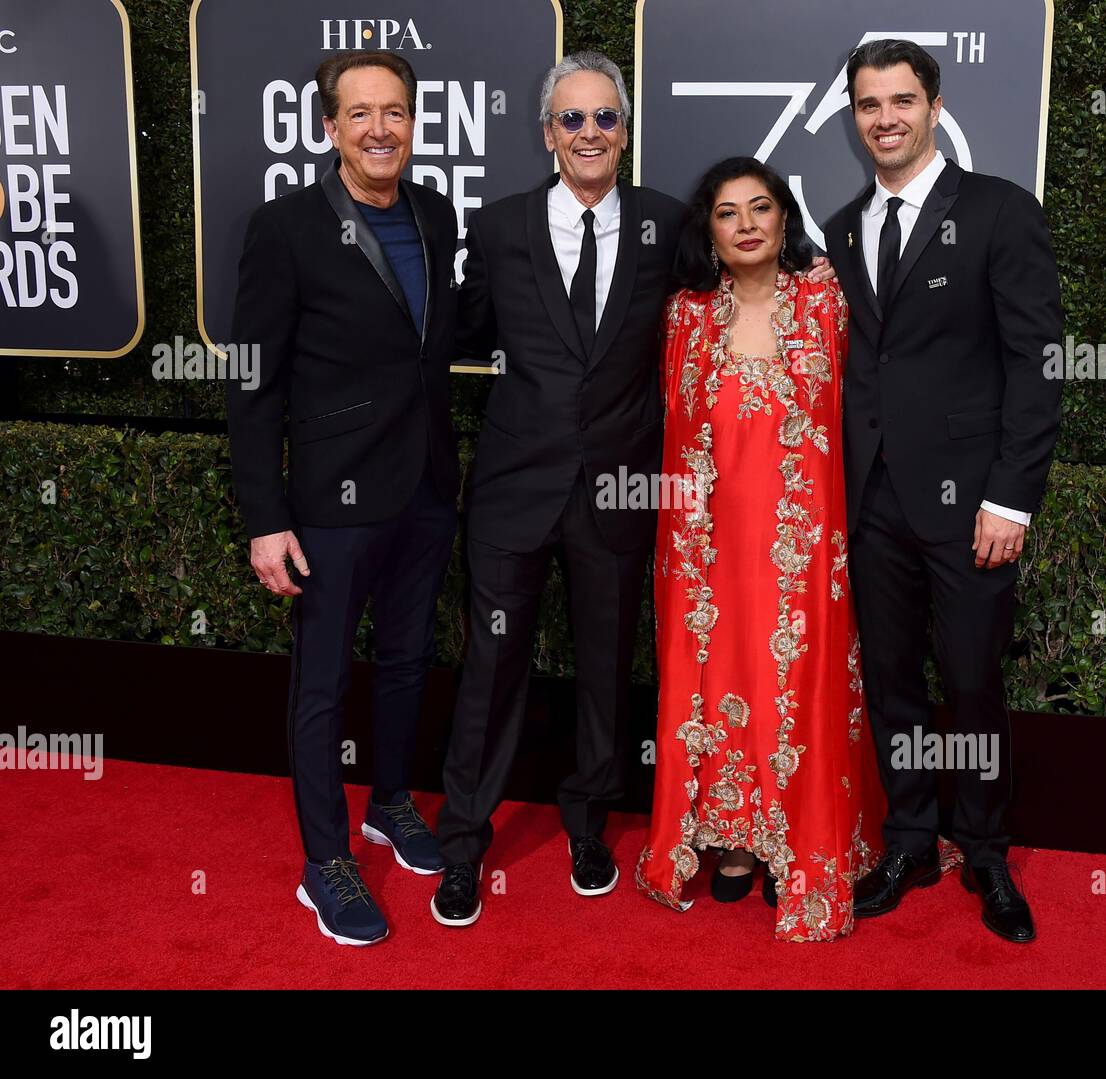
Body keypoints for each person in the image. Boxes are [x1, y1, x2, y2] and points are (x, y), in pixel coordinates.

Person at [431, 51, 841, 928]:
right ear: (547, 134)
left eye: (604, 118)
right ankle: (462, 842)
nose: (589, 133)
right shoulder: (499, 225)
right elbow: (452, 331)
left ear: (625, 130)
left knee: (606, 668)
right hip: (512, 488)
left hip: (620, 492)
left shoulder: (665, 228)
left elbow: (735, 314)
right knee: (490, 670)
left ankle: (588, 825)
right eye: (571, 120)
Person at [823, 39, 1064, 943]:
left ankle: (988, 850)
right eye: (868, 104)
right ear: (853, 117)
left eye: (901, 100)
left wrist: (1012, 498)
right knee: (891, 682)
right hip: (873, 501)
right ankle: (910, 839)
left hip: (972, 507)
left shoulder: (999, 212)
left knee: (971, 683)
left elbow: (1036, 366)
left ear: (932, 106)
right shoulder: (843, 228)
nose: (884, 117)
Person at [225, 51, 460, 946]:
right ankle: (325, 859)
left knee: (407, 661)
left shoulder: (435, 214)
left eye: (394, 112)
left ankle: (389, 802)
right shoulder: (283, 229)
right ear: (328, 127)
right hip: (328, 500)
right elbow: (253, 382)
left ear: (412, 121)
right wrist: (264, 516)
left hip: (426, 487)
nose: (379, 129)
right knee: (321, 684)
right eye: (359, 113)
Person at [636, 158, 887, 942]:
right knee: (719, 673)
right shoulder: (685, 313)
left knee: (798, 680)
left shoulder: (826, 300)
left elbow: (867, 409)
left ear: (785, 219)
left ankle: (802, 846)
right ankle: (734, 841)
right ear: (706, 230)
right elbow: (675, 434)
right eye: (726, 212)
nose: (746, 223)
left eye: (761, 208)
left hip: (802, 545)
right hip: (707, 548)